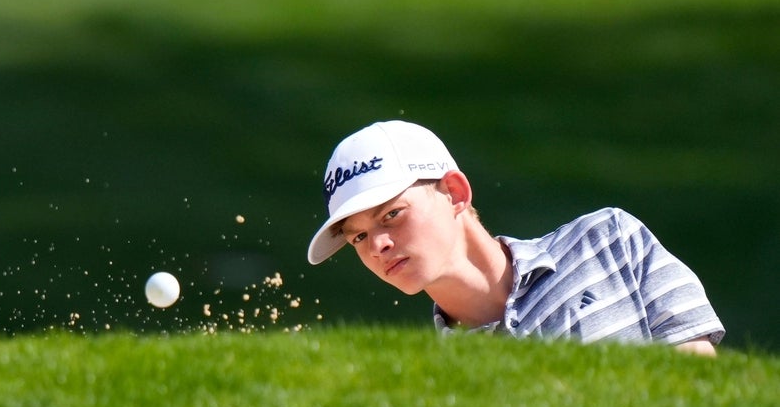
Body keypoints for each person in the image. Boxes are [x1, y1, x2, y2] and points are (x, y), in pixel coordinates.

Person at [307, 120, 724, 355]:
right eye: (358, 237)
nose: (377, 245)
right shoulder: (442, 376)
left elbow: (695, 387)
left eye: (392, 215)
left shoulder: (609, 240)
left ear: (455, 192)